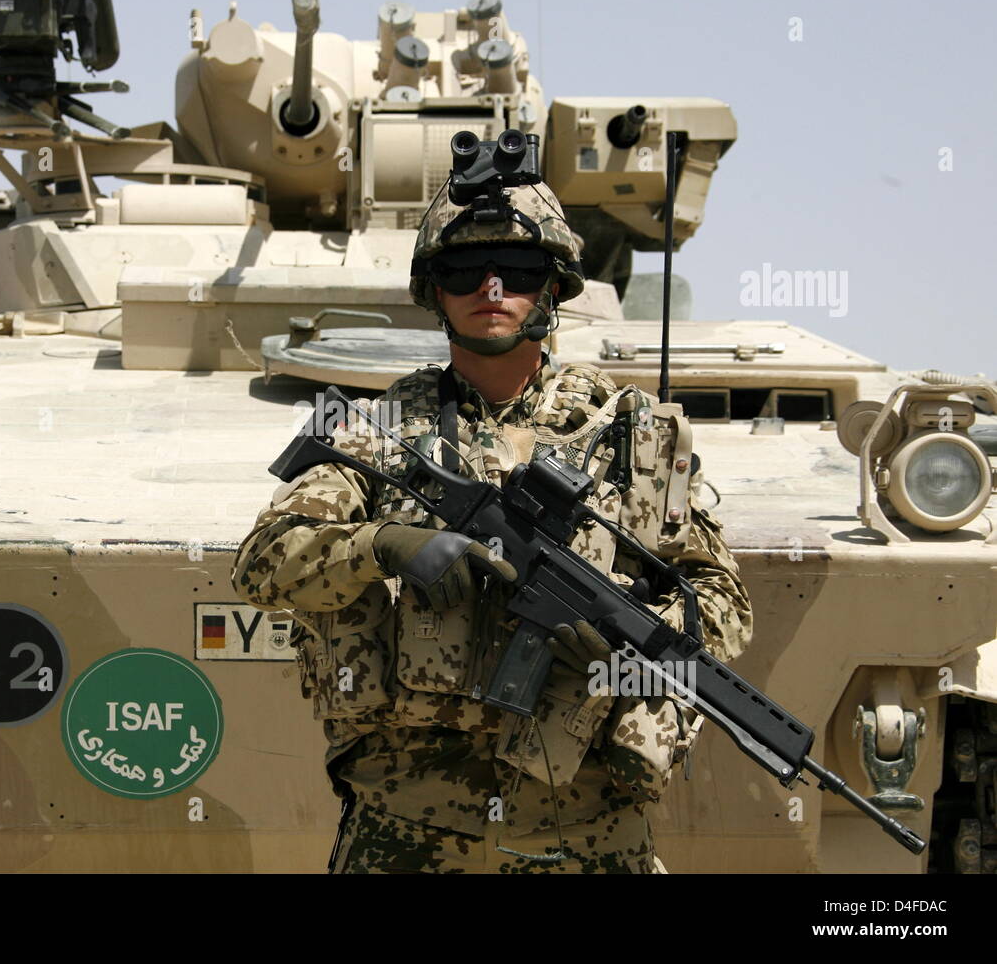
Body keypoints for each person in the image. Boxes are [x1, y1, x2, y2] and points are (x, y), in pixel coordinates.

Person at [231, 178, 752, 873]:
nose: (493, 285)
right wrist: (380, 546)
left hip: (589, 831)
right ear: (434, 292)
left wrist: (624, 643)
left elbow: (723, 605)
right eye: (462, 271)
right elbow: (263, 562)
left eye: (522, 270)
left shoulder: (634, 437)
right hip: (406, 829)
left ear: (556, 286)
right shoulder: (379, 428)